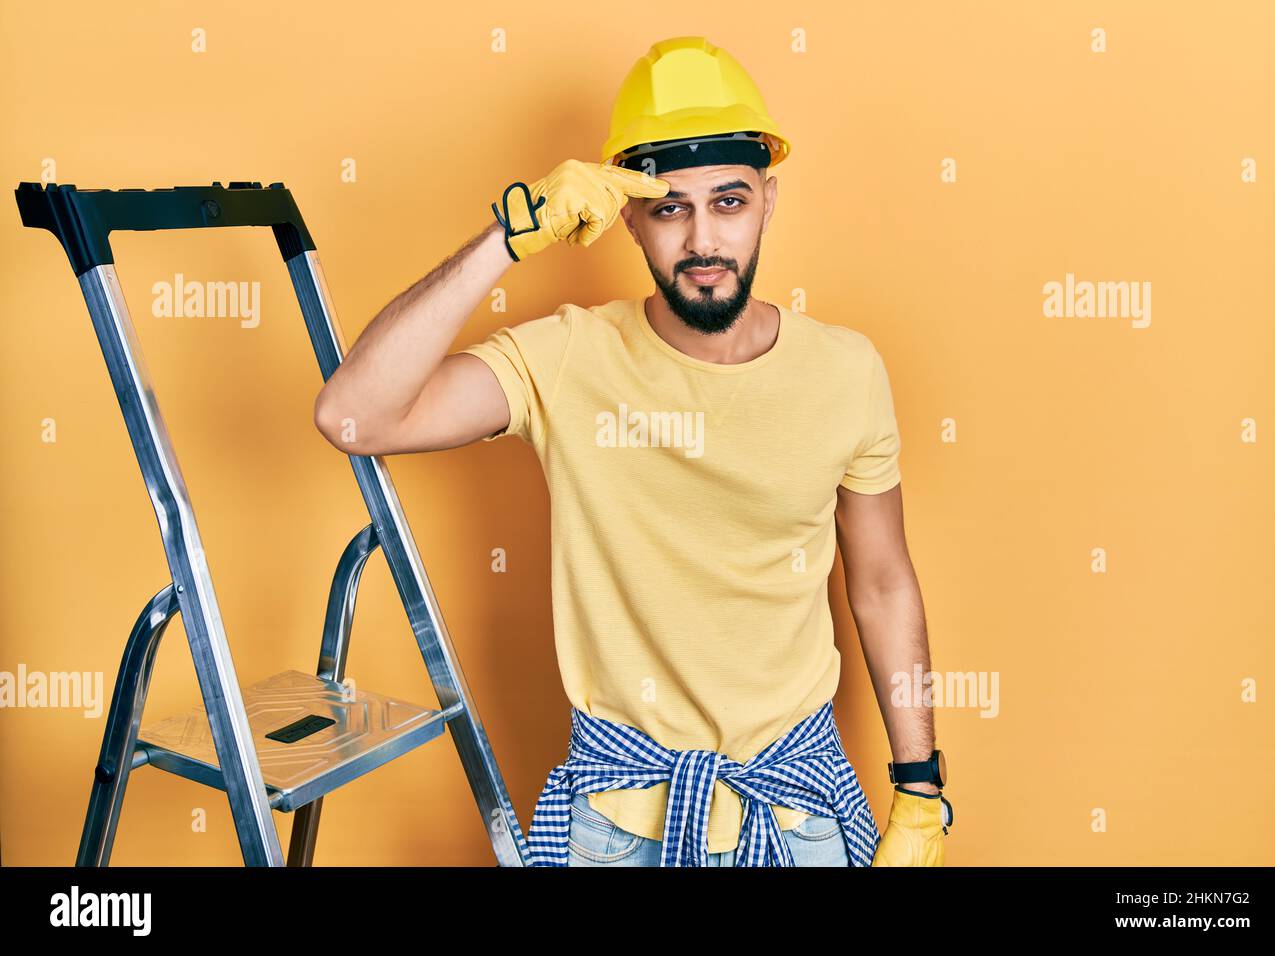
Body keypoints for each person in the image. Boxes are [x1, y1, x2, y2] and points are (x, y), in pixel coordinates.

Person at [313, 35, 951, 867]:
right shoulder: (569, 358)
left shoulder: (847, 371)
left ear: (768, 200)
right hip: (618, 823)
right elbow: (353, 416)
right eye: (669, 208)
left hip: (795, 810)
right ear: (628, 218)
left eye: (729, 202)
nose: (702, 242)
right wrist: (505, 239)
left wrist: (921, 787)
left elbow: (882, 581)